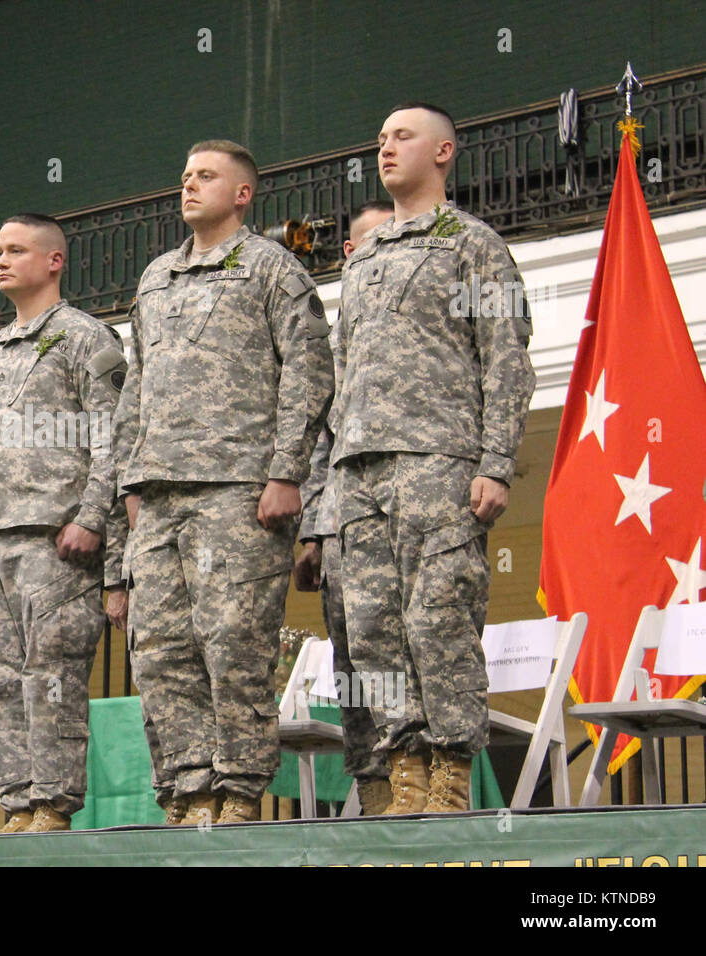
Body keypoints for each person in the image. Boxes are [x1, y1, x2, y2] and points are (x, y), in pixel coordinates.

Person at [114, 140, 334, 824]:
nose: (189, 186)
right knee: (158, 650)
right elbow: (136, 389)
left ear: (242, 193)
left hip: (240, 491)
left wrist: (286, 472)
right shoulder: (155, 279)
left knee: (234, 644)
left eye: (205, 176)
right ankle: (187, 791)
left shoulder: (272, 267)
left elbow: (307, 371)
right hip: (160, 496)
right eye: (184, 175)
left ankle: (237, 792)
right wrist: (129, 481)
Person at [332, 103, 535, 813]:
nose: (385, 148)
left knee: (439, 621)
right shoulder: (364, 262)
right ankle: (404, 767)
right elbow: (343, 373)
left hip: (439, 460)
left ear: (444, 151)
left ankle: (449, 770)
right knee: (373, 630)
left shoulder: (472, 244)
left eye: (403, 137)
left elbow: (505, 359)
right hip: (359, 472)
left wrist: (495, 461)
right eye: (380, 137)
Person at [0, 214, 128, 833]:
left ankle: (53, 804)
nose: (1, 260)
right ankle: (18, 800)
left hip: (54, 541)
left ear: (54, 261)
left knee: (49, 677)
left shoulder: (87, 339)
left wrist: (91, 518)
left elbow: (114, 438)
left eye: (17, 250)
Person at [295, 200, 394, 816]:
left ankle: (421, 773)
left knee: (407, 647)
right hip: (339, 526)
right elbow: (316, 441)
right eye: (377, 240)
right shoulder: (335, 342)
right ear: (351, 254)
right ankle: (375, 785)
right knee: (353, 662)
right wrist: (310, 532)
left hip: (407, 513)